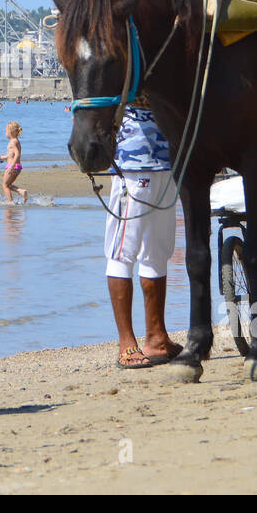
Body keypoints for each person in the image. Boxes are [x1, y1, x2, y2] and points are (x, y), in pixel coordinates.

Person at [102, 104, 182, 368]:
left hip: (167, 157)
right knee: (123, 249)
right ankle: (126, 343)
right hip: (132, 160)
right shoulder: (124, 62)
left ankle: (157, 337)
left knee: (158, 250)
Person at [0, 121, 28, 202]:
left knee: (5, 185)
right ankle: (21, 191)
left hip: (13, 166)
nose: (5, 133)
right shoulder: (16, 141)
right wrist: (1, 157)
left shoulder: (13, 142)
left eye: (6, 131)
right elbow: (10, 155)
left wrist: (12, 166)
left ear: (11, 132)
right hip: (17, 166)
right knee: (8, 185)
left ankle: (10, 202)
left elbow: (17, 154)